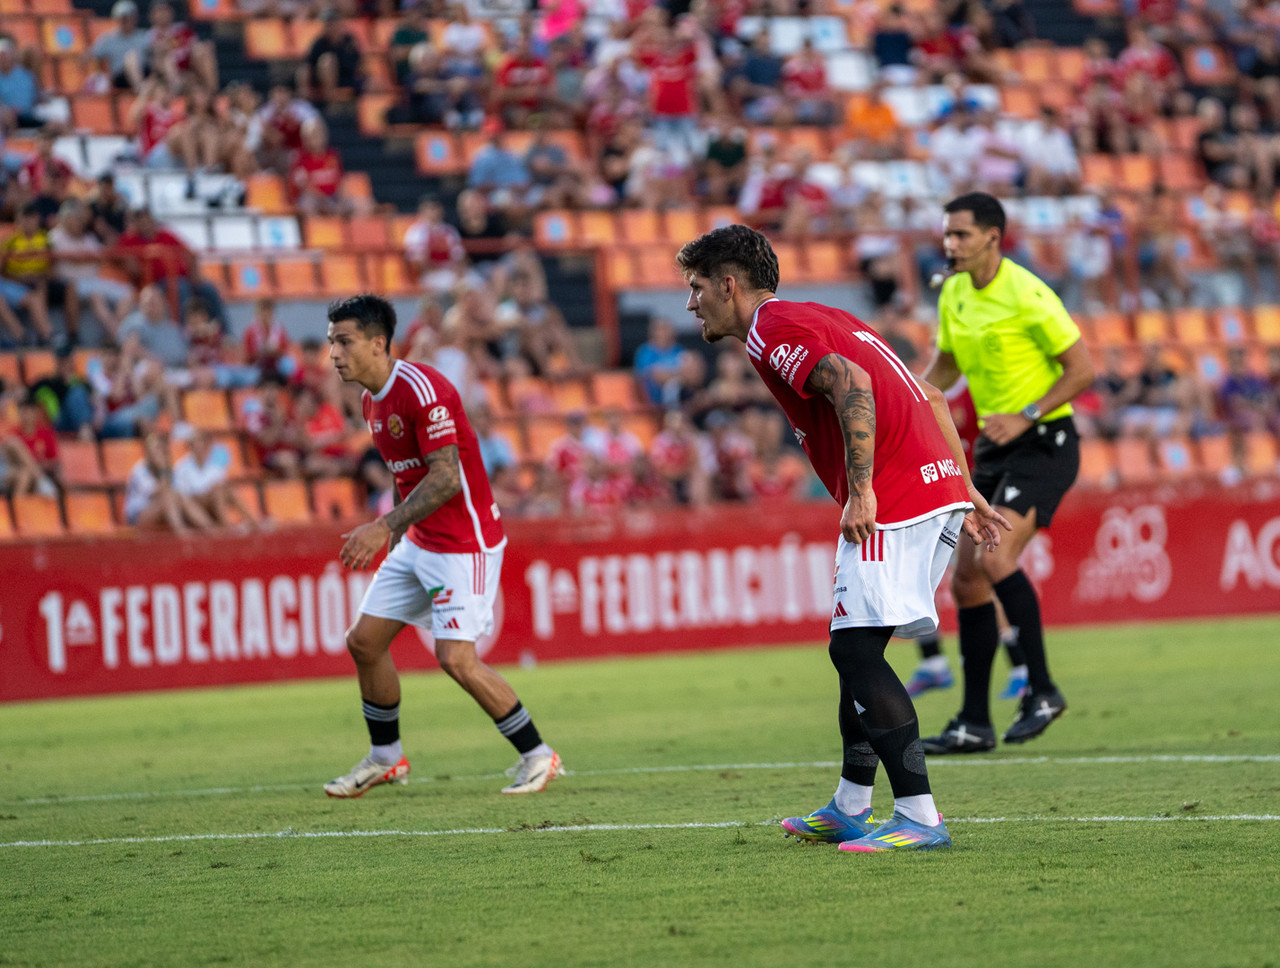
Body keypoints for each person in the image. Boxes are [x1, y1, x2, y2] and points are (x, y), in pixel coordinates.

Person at [676, 224, 1009, 852]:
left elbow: (852, 387)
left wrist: (862, 492)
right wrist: (961, 488)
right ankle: (852, 803)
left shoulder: (771, 328)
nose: (691, 303)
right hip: (927, 485)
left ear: (729, 284)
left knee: (855, 656)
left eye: (696, 288)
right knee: (854, 650)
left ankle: (919, 816)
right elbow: (931, 396)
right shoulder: (824, 314)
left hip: (895, 496)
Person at [324, 294, 562, 799]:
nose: (335, 354)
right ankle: (386, 758)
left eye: (344, 343)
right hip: (420, 538)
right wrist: (397, 532)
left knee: (456, 659)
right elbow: (403, 476)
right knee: (363, 642)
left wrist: (384, 526)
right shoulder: (371, 399)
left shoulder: (422, 390)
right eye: (331, 344)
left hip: (463, 542)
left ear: (377, 343)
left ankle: (538, 755)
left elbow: (447, 478)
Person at [920, 192, 1094, 755]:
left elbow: (1082, 369)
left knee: (994, 559)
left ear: (993, 236)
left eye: (962, 235)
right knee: (967, 579)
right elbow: (945, 367)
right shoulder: (953, 293)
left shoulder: (1027, 292)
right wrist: (910, 395)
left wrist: (1025, 417)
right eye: (947, 234)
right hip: (994, 450)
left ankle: (1043, 690)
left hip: (1043, 442)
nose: (950, 244)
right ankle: (974, 720)